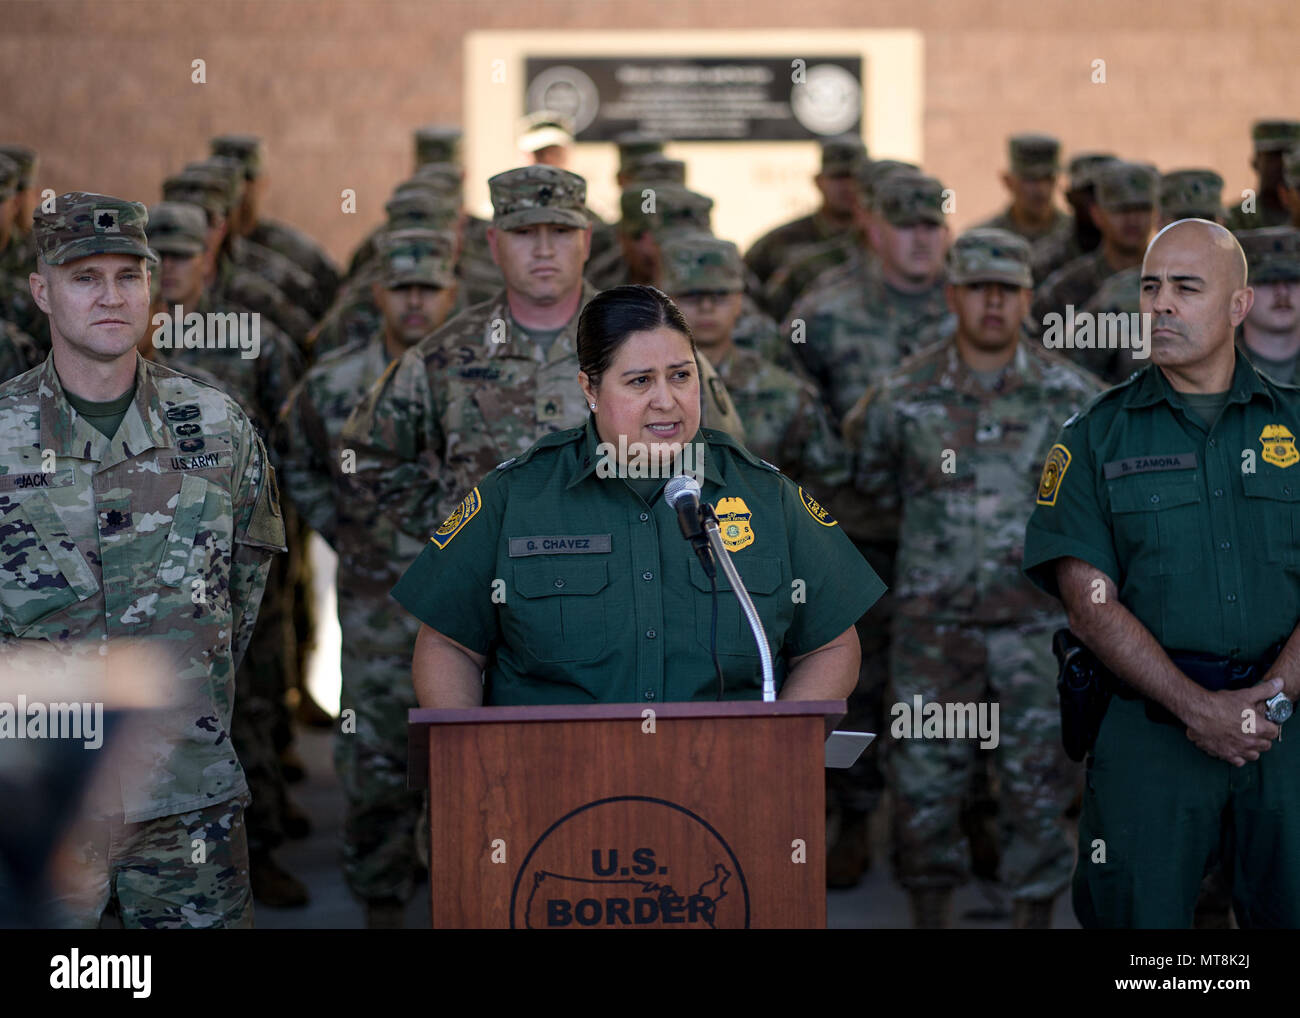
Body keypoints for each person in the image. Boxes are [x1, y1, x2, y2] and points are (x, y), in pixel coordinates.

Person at [0, 192, 284, 927]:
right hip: (39, 807)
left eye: (129, 275)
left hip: (188, 802)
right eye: (84, 277)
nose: (110, 296)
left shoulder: (217, 428)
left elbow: (242, 593)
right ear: (41, 290)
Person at [391, 284, 884, 706]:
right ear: (590, 388)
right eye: (640, 381)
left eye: (681, 376)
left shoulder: (766, 495)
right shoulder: (516, 497)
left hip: (727, 782)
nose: (666, 401)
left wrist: (779, 747)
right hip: (549, 785)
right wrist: (479, 764)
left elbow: (831, 646)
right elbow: (448, 646)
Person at [1022, 218, 1300, 928]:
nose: (1161, 305)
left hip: (1285, 729)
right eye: (1150, 288)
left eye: (1186, 287)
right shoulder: (1093, 437)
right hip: (1151, 732)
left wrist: (1268, 698)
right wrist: (1199, 710)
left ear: (1239, 306)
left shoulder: (1295, 426)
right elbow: (1089, 603)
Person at [843, 227, 1101, 928]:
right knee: (924, 788)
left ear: (1027, 299)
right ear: (953, 295)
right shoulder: (902, 394)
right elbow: (867, 485)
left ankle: (1033, 918)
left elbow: (1097, 506)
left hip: (1036, 632)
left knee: (1040, 793)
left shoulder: (1071, 397)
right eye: (979, 289)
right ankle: (930, 914)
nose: (993, 303)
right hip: (934, 632)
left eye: (1008, 290)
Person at [341, 165, 746, 550]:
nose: (544, 250)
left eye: (561, 231)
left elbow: (722, 453)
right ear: (494, 245)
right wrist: (459, 530)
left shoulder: (652, 339)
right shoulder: (443, 354)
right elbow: (366, 453)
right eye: (523, 232)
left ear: (586, 241)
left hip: (625, 590)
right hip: (494, 597)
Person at [275, 228, 459, 928]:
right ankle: (381, 896)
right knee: (377, 758)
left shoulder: (480, 380)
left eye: (430, 287)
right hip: (377, 605)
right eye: (402, 287)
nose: (416, 302)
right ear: (377, 291)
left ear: (452, 290)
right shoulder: (336, 382)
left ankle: (464, 887)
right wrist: (339, 527)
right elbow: (291, 461)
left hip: (471, 609)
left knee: (468, 757)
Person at [661, 233, 844, 486]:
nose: (706, 307)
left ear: (740, 301)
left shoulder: (785, 394)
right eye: (691, 295)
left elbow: (827, 486)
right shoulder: (636, 387)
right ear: (665, 299)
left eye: (720, 295)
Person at [788, 172, 954, 425]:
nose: (921, 240)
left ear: (946, 234)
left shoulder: (976, 308)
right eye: (906, 226)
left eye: (930, 227)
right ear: (876, 234)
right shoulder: (825, 314)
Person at [1029, 161, 1158, 347]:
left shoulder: (1173, 285)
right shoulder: (1067, 291)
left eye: (1142, 208)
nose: (1133, 220)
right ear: (1097, 215)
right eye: (1120, 210)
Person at [743, 135, 868, 288]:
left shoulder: (883, 241)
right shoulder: (777, 244)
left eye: (855, 178)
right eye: (838, 177)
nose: (848, 187)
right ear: (818, 181)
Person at [975, 134, 1070, 245]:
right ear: (1008, 181)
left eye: (1048, 178)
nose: (1041, 190)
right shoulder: (983, 240)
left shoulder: (1077, 236)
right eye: (1031, 179)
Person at [1236, 226, 1300, 384]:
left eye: (1293, 280)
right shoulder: (1214, 368)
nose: (1283, 292)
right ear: (1240, 293)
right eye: (1266, 281)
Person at [1224, 119, 1300, 232]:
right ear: (1255, 162)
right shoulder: (1236, 219)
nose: (1284, 164)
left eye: (1291, 156)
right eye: (1274, 156)